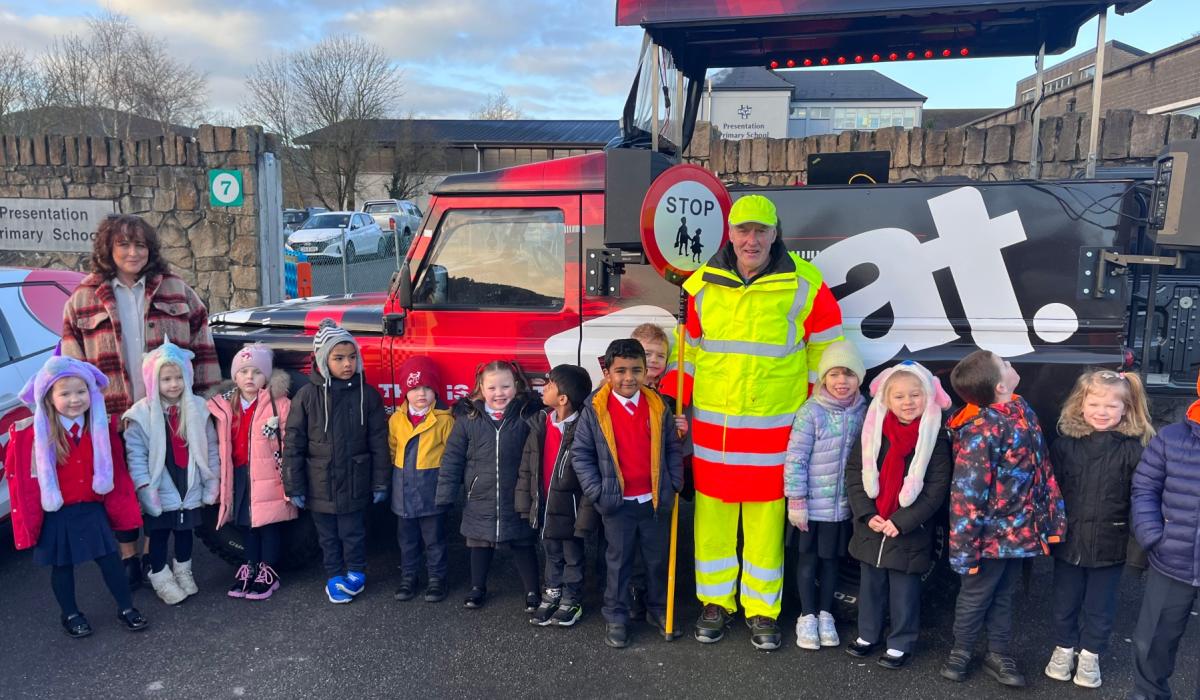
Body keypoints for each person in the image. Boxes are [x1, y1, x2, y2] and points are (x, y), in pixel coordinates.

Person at [663, 194, 844, 650]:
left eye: (761, 230)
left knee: (766, 521)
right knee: (713, 520)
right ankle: (715, 602)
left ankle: (763, 610)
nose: (752, 239)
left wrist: (813, 410)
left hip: (775, 431)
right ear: (730, 233)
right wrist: (671, 402)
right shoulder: (700, 285)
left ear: (776, 233)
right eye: (743, 230)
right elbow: (688, 354)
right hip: (713, 433)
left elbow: (827, 353)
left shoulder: (806, 284)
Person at [60, 213, 219, 588]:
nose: (133, 252)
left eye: (140, 245)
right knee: (122, 490)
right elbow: (71, 366)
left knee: (162, 481)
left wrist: (209, 405)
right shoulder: (83, 298)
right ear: (107, 249)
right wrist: (79, 416)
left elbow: (204, 347)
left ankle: (152, 554)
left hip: (168, 414)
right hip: (112, 414)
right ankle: (129, 557)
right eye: (123, 245)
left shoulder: (177, 290)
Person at [942, 349, 1066, 688]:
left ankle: (998, 652)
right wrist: (965, 549)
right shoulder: (981, 431)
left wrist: (1052, 519)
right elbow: (967, 496)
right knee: (975, 595)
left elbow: (1042, 470)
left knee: (1005, 593)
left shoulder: (1022, 410)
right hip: (988, 537)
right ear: (999, 385)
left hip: (1020, 532)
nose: (1013, 365)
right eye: (1006, 365)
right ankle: (962, 650)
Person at [5, 353, 148, 637]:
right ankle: (70, 613)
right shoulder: (36, 434)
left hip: (92, 508)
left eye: (81, 391)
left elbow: (116, 468)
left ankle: (126, 607)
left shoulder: (100, 427)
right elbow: (24, 478)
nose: (75, 399)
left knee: (110, 559)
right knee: (62, 566)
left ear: (91, 393)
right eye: (65, 393)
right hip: (58, 513)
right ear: (48, 397)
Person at [1044, 369, 1153, 689]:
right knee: (1065, 601)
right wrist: (1049, 534)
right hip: (1069, 542)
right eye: (1094, 404)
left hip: (1110, 544)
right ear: (1080, 404)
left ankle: (1090, 655)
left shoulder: (1134, 450)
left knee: (1099, 606)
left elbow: (1141, 501)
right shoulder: (1065, 446)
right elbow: (1051, 493)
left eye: (1111, 406)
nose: (1101, 412)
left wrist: (1137, 551)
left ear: (1126, 409)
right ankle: (1064, 649)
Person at [573, 339, 685, 649]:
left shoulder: (658, 405)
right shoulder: (595, 410)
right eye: (620, 371)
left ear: (646, 371)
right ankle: (617, 616)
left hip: (654, 502)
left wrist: (674, 483)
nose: (628, 377)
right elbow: (581, 455)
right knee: (619, 563)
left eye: (636, 370)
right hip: (617, 504)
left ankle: (659, 610)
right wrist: (598, 492)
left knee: (657, 561)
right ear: (607, 372)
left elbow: (672, 448)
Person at [844, 361, 952, 669]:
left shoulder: (935, 438)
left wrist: (902, 522)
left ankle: (901, 641)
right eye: (900, 397)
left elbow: (935, 488)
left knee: (905, 590)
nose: (908, 402)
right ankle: (868, 633)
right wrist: (866, 514)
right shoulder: (874, 433)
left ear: (928, 397)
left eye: (915, 395)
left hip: (909, 528)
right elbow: (856, 472)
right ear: (886, 400)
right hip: (873, 523)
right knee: (871, 585)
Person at [283, 319, 390, 604]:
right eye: (339, 358)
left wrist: (381, 481)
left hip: (356, 481)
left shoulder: (368, 396)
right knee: (328, 536)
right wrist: (294, 486)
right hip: (320, 484)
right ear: (322, 360)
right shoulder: (306, 397)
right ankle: (333, 574)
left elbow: (379, 442)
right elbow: (293, 443)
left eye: (352, 357)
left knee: (354, 532)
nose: (347, 364)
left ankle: (356, 571)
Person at [436, 360, 542, 611]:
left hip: (518, 494)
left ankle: (532, 590)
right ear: (481, 389)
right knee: (479, 543)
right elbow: (453, 457)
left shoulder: (527, 416)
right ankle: (477, 588)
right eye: (492, 388)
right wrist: (445, 494)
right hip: (479, 494)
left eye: (505, 386)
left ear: (516, 386)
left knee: (523, 542)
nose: (499, 393)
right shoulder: (468, 419)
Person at [123, 339, 220, 606]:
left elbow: (210, 446)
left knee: (185, 532)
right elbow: (136, 455)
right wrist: (144, 487)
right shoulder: (141, 414)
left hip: (187, 481)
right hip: (161, 481)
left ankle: (183, 571)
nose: (174, 384)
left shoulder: (198, 409)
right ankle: (160, 577)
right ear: (154, 381)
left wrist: (212, 479)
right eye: (166, 379)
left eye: (178, 377)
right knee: (159, 534)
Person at [784, 340, 867, 650]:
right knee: (807, 563)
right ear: (823, 378)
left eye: (848, 374)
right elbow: (796, 457)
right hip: (811, 506)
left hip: (841, 507)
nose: (840, 382)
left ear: (859, 377)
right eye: (833, 374)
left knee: (831, 561)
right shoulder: (812, 411)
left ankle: (825, 615)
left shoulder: (864, 411)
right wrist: (796, 500)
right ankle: (806, 617)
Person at [1128, 370, 1200, 700]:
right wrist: (1153, 534)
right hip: (1172, 558)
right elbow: (1145, 489)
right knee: (1153, 642)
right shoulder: (1170, 438)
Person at [207, 343, 297, 601]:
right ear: (234, 376)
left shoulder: (277, 404)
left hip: (267, 475)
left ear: (266, 377)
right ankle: (251, 563)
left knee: (268, 524)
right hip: (239, 472)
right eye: (244, 371)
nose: (250, 377)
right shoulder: (225, 405)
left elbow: (288, 438)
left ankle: (268, 569)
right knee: (245, 522)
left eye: (256, 372)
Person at [516, 364, 596, 627]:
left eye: (549, 385)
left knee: (572, 555)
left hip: (570, 511)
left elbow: (587, 481)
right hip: (545, 507)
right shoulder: (540, 423)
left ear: (562, 399)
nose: (543, 388)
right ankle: (552, 593)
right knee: (551, 553)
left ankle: (571, 599)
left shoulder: (583, 429)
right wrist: (525, 503)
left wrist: (585, 519)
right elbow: (528, 466)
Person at [388, 356, 454, 604]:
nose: (421, 394)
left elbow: (450, 455)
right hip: (403, 492)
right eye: (414, 388)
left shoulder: (444, 420)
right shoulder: (396, 420)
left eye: (427, 388)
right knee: (406, 540)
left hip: (431, 491)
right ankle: (409, 577)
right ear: (405, 391)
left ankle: (437, 579)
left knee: (434, 539)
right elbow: (393, 450)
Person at [631, 323, 670, 391]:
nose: (654, 360)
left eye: (660, 356)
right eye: (647, 354)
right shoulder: (626, 385)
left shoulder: (664, 385)